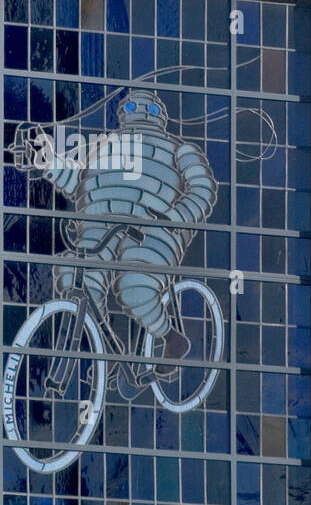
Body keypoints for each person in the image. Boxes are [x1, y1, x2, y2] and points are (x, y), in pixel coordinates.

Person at [13, 89, 217, 371]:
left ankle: (171, 337)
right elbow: (81, 183)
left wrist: (172, 218)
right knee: (76, 277)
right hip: (100, 225)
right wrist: (48, 161)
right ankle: (103, 346)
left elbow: (202, 190)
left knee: (136, 286)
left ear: (161, 116)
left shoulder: (180, 149)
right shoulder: (105, 146)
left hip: (152, 229)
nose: (138, 112)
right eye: (131, 105)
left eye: (148, 108)